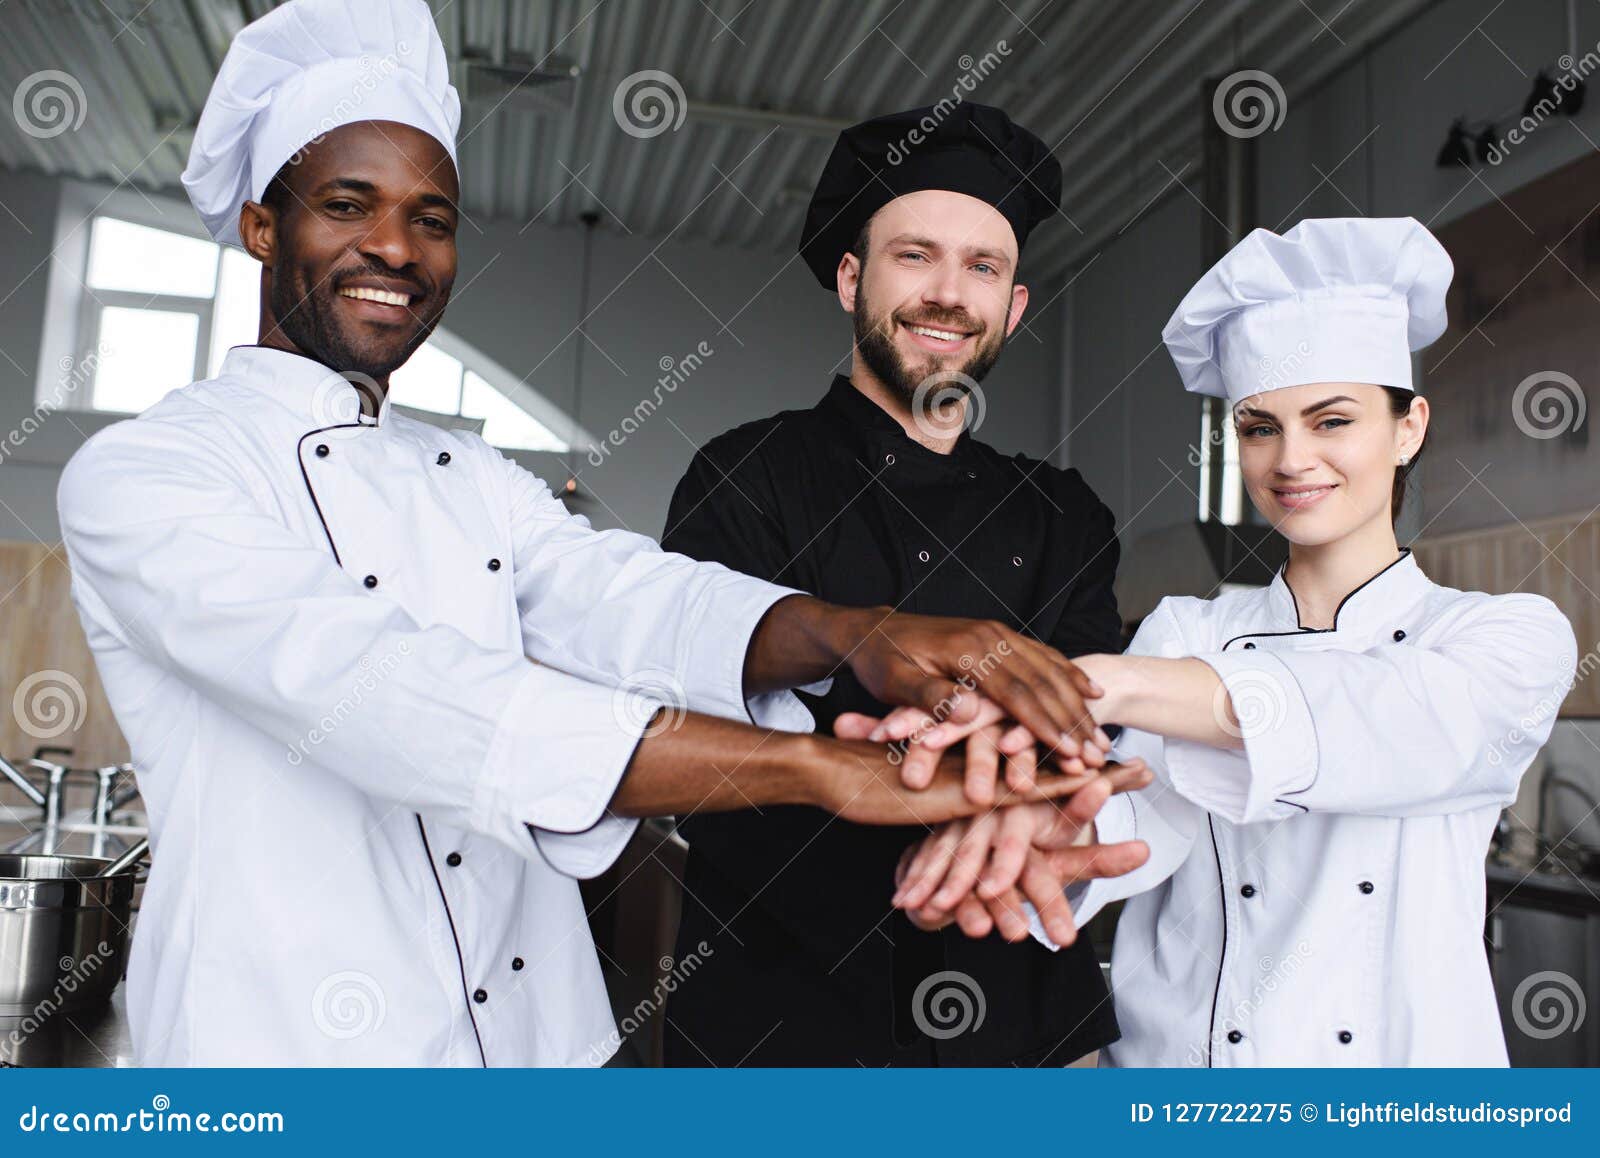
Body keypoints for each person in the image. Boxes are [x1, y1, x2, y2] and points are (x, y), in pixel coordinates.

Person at [55, 0, 1144, 1066]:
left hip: (536, 1053)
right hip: (286, 1054)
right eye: (348, 205)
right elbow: (387, 692)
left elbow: (629, 597)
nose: (394, 246)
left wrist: (855, 635)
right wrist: (824, 768)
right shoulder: (147, 474)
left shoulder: (473, 476)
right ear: (261, 226)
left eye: (431, 219)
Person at [879, 217, 1579, 1065]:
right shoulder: (1192, 629)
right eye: (1259, 427)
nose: (1291, 460)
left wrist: (1094, 680)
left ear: (1409, 428)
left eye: (1332, 421)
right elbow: (1142, 807)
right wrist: (1039, 839)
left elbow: (1377, 713)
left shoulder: (1504, 638)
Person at [658, 104, 1144, 1067]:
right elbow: (702, 738)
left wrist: (1008, 804)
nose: (948, 295)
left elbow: (1088, 728)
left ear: (1014, 307)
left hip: (1022, 1028)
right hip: (783, 1025)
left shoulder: (1065, 515)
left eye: (983, 267)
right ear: (852, 279)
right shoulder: (746, 476)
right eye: (915, 256)